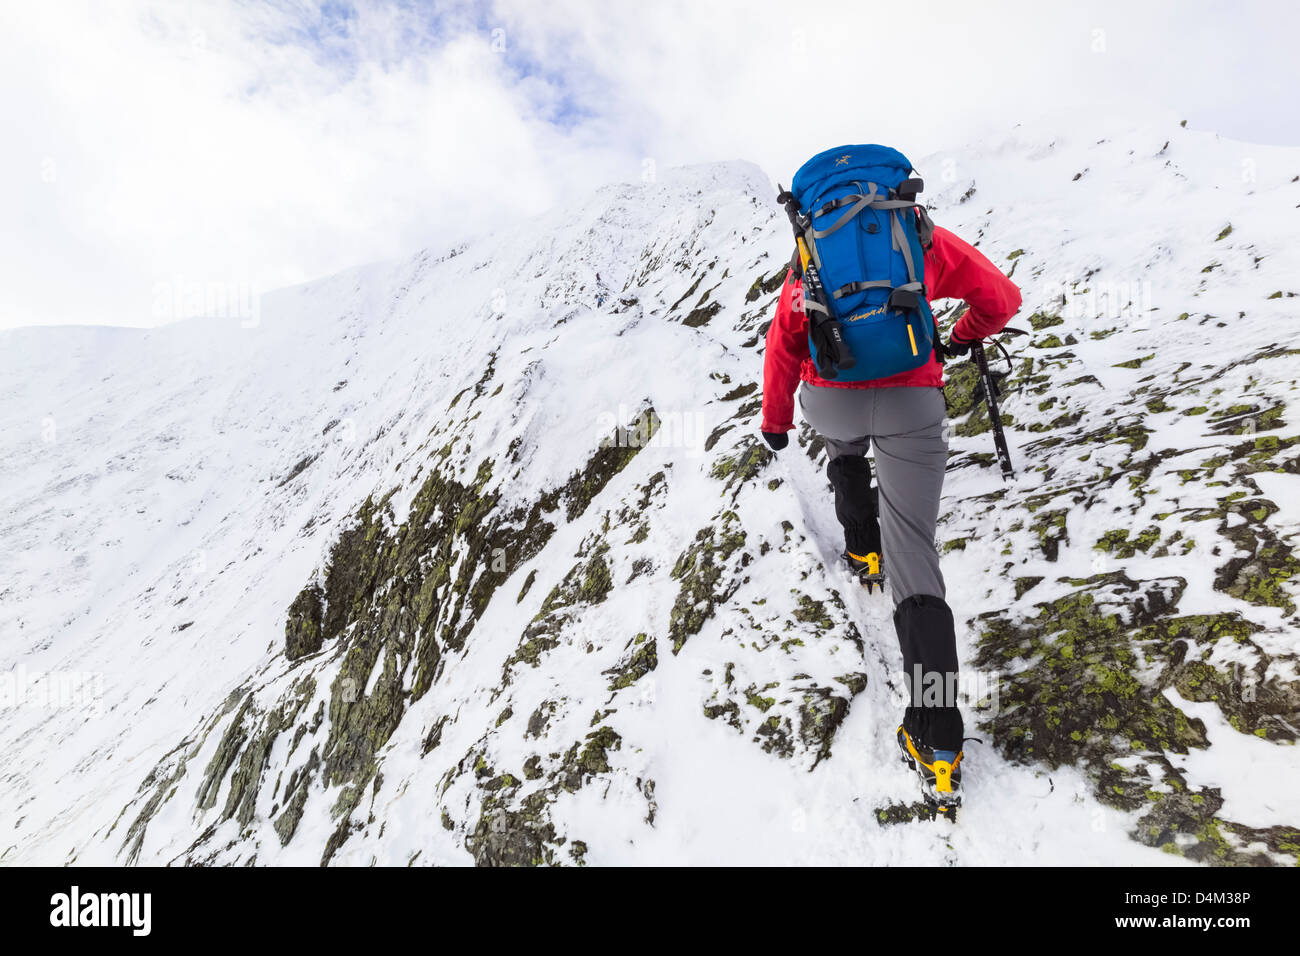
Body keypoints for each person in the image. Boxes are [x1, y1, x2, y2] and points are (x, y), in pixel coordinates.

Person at [759, 214, 1021, 813]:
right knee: (917, 561)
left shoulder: (812, 259)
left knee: (844, 450)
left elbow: (784, 345)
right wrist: (958, 336)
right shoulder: (918, 241)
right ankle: (937, 741)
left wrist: (776, 422)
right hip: (912, 399)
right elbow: (1001, 298)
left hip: (831, 399)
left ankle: (861, 548)